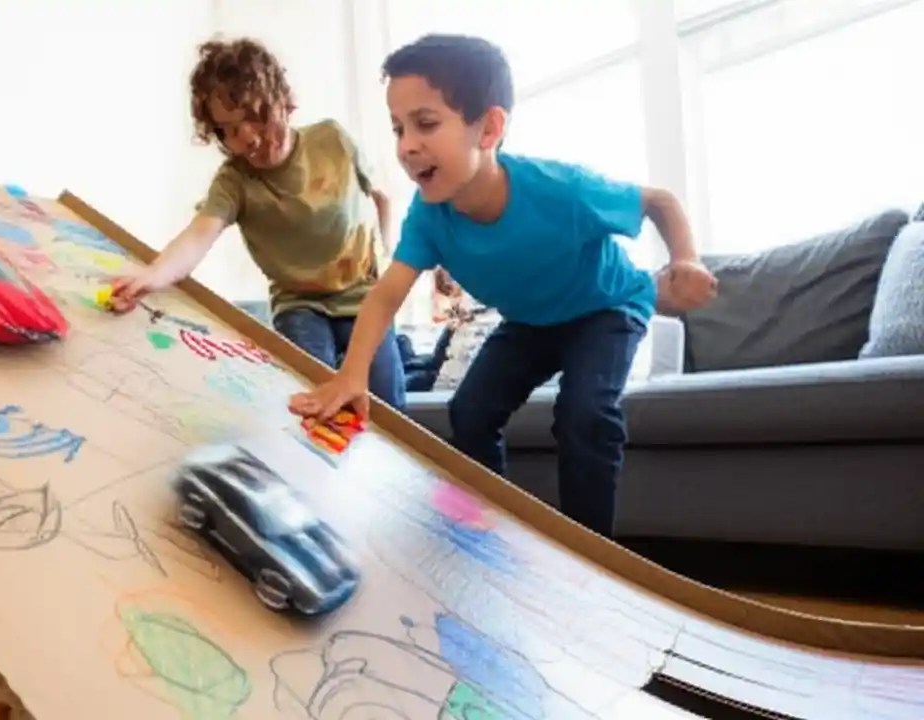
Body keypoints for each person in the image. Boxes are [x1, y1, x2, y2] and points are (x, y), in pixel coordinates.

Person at [288, 34, 718, 537]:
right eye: (398, 128)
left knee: (584, 413)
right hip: (533, 323)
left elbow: (659, 201)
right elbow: (384, 295)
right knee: (468, 411)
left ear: (489, 127)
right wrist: (351, 374)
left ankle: (592, 553)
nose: (406, 146)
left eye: (426, 123)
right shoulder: (429, 218)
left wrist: (685, 258)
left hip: (607, 307)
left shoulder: (562, 190)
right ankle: (493, 534)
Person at [107, 37, 407, 411]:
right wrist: (152, 275)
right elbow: (199, 234)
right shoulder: (235, 181)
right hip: (299, 304)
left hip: (364, 292)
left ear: (281, 101)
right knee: (315, 404)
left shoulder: (332, 139)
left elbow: (382, 195)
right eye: (228, 129)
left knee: (389, 408)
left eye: (253, 116)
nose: (246, 137)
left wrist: (392, 255)